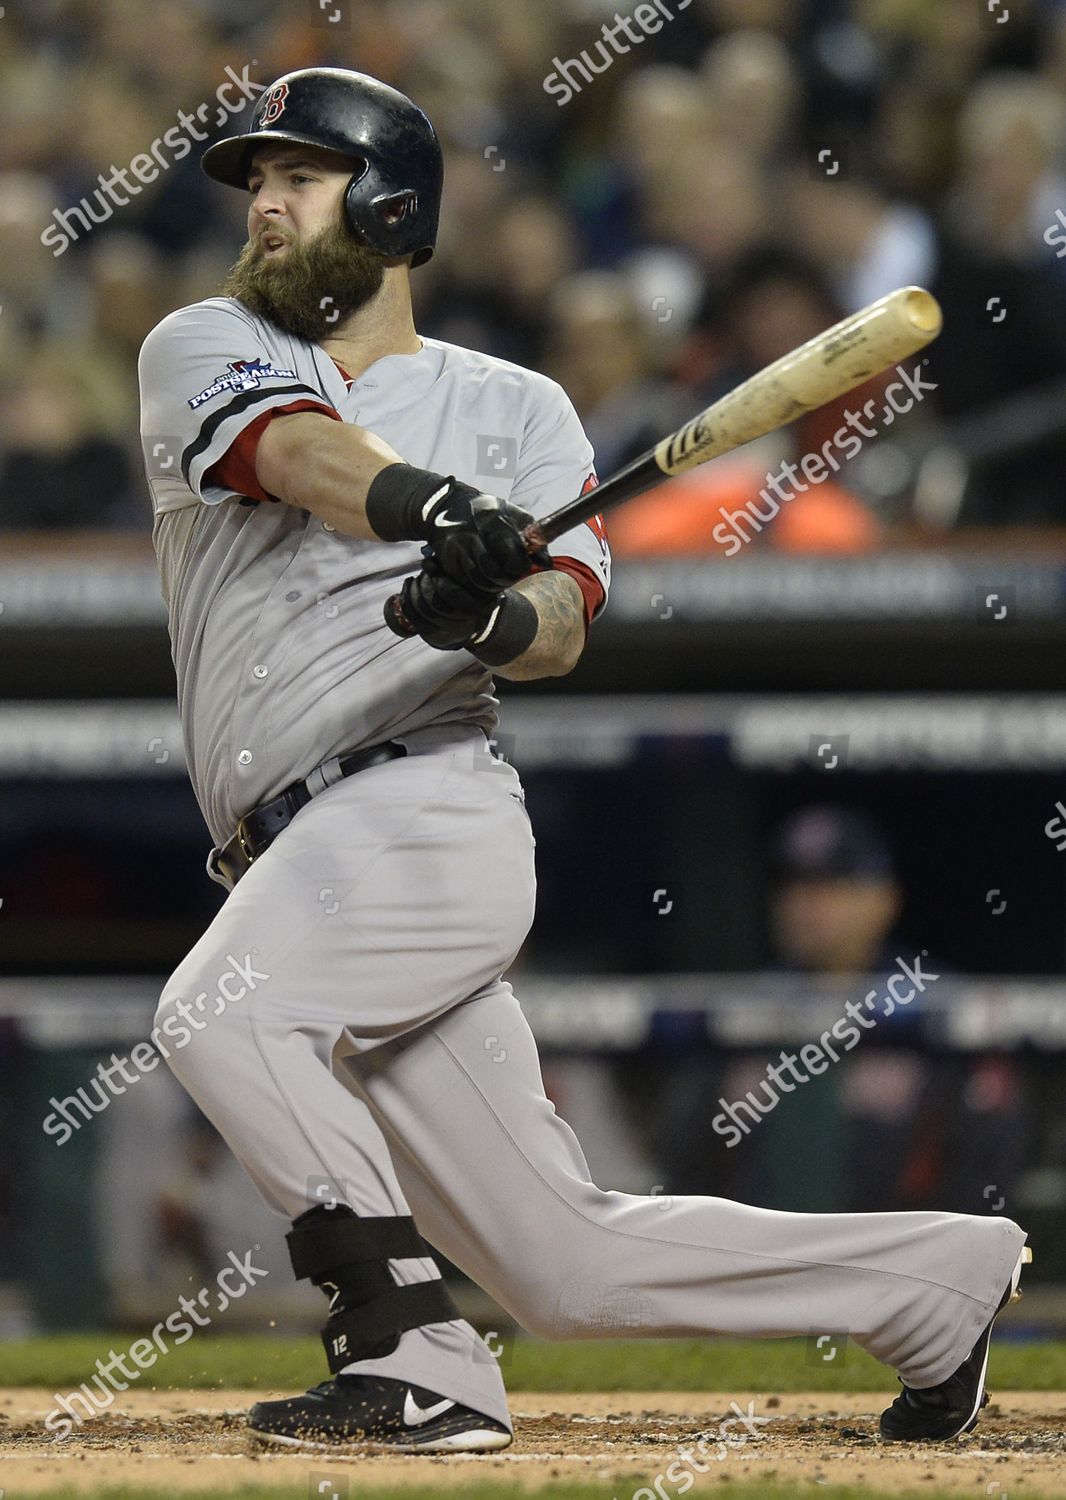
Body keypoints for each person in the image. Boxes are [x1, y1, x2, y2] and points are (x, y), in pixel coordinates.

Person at [138, 66, 1028, 1453]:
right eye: (254, 181)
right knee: (564, 1266)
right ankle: (932, 1283)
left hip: (422, 805)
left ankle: (413, 1356)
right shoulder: (200, 343)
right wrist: (432, 512)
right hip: (299, 849)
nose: (262, 204)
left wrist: (488, 608)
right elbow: (297, 455)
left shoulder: (522, 407)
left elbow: (557, 628)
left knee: (220, 1014)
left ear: (387, 201)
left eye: (295, 177)